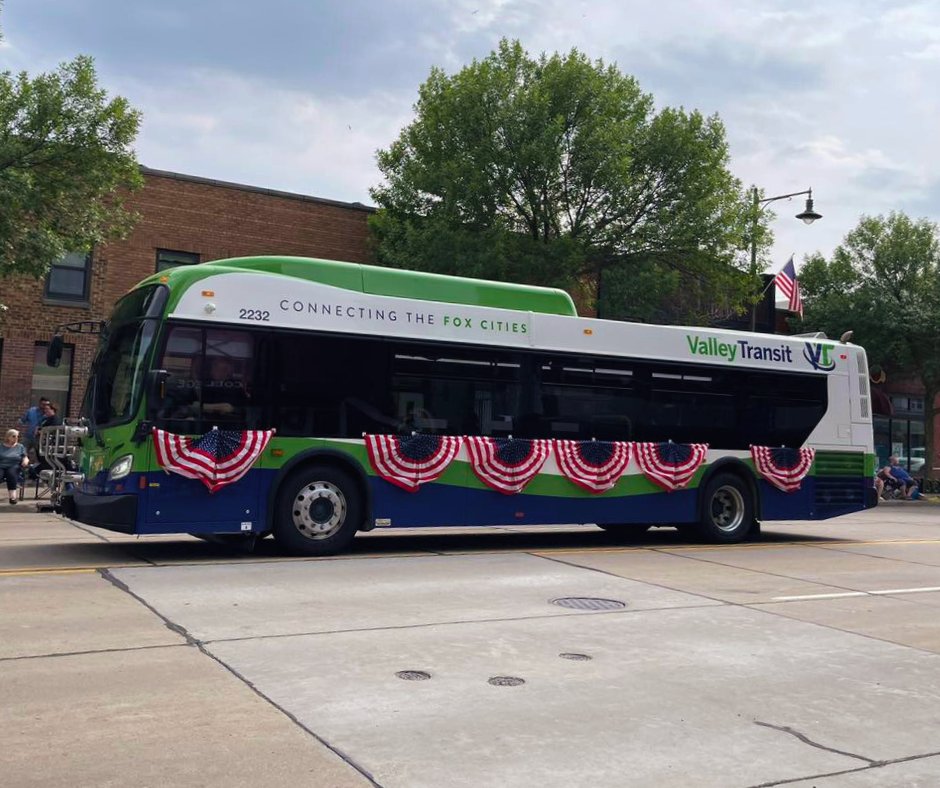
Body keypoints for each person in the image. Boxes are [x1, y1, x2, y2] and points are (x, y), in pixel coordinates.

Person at [0, 429, 30, 505]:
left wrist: (25, 461)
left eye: (17, 436)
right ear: (8, 437)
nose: (16, 438)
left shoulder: (20, 446)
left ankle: (12, 497)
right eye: (14, 436)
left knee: (11, 474)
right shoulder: (1, 446)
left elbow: (25, 457)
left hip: (14, 465)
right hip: (1, 465)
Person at [19, 396, 50, 460]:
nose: (45, 406)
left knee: (40, 456)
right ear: (39, 403)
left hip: (40, 438)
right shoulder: (32, 411)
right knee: (22, 453)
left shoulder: (48, 414)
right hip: (28, 436)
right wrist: (22, 430)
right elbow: (22, 421)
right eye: (43, 404)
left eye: (47, 405)